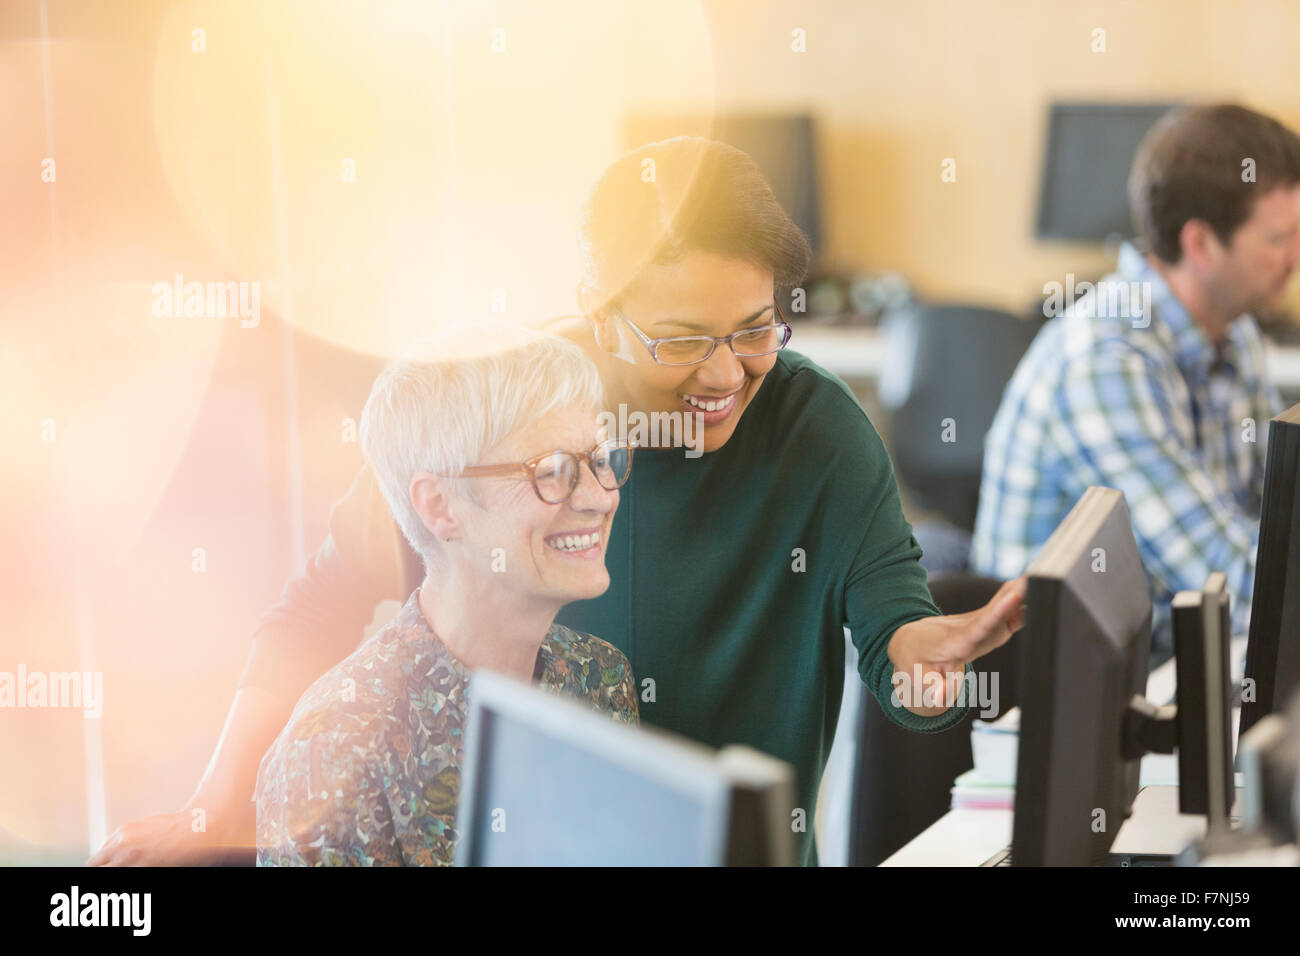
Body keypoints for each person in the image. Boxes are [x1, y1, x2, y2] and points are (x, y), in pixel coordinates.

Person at [90, 137, 1025, 868]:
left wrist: (928, 670)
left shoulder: (812, 426)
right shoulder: (499, 409)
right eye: (679, 341)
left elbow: (900, 652)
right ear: (595, 305)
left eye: (754, 329)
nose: (724, 374)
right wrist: (217, 805)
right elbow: (320, 606)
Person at [256, 323, 638, 865]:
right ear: (439, 506)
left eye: (601, 461)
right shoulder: (332, 750)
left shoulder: (602, 681)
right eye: (554, 472)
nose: (601, 498)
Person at [973, 104, 1300, 644]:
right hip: (1059, 693)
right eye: (1277, 239)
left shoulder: (1234, 333)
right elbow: (1237, 586)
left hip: (1170, 659)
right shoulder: (1106, 360)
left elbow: (1276, 518)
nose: (1294, 257)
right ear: (1200, 245)